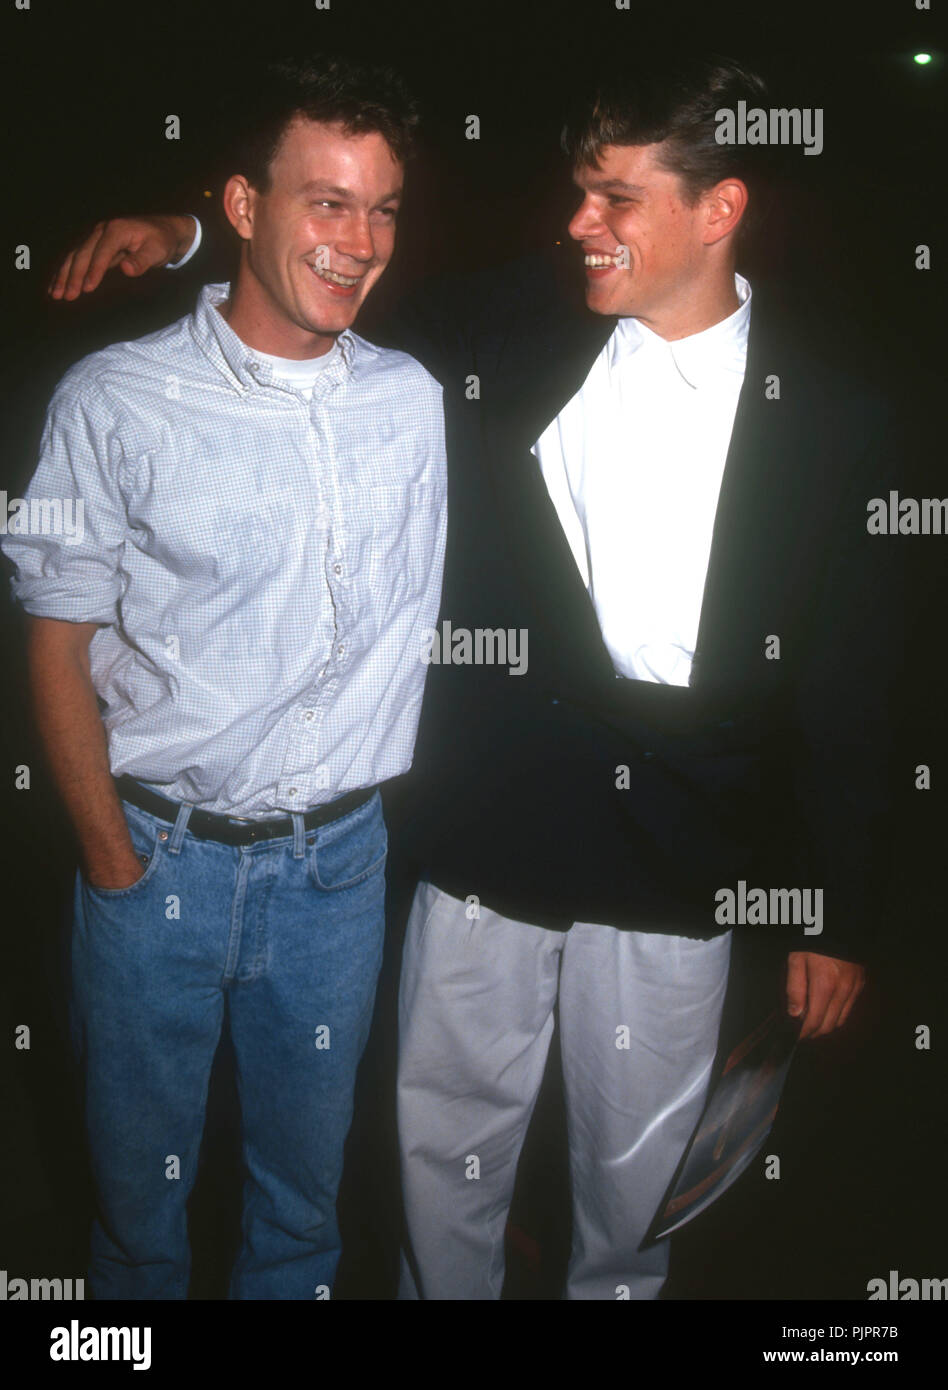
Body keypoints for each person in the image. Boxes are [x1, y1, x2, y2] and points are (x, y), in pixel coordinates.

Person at [44, 54, 906, 1301]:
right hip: (492, 828)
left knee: (639, 1181)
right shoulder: (516, 324)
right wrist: (180, 231)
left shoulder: (837, 412)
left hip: (687, 852)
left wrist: (838, 908)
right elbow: (316, 282)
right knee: (435, 1161)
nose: (578, 223)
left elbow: (853, 681)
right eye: (577, 192)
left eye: (614, 197)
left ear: (717, 210)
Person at [2, 55, 447, 1300]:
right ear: (248, 207)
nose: (360, 243)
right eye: (327, 202)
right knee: (137, 1218)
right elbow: (56, 638)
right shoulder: (116, 398)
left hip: (339, 875)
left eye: (383, 208)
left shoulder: (416, 400)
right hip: (159, 862)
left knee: (304, 1213)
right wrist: (108, 860)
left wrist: (193, 227)